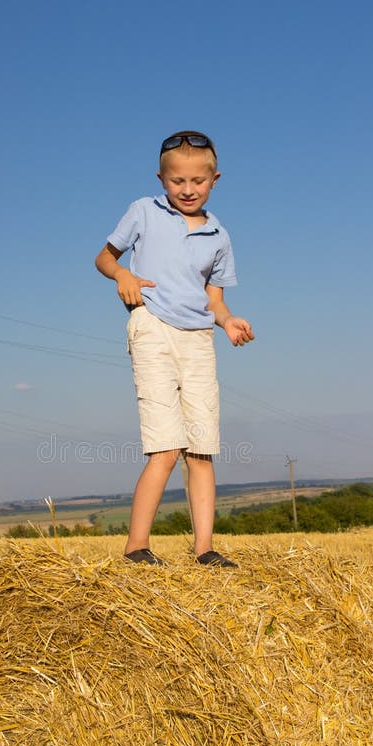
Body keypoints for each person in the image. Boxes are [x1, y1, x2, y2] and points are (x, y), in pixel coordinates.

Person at [95, 131, 254, 566]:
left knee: (201, 447)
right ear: (162, 179)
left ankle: (205, 549)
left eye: (198, 181)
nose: (187, 189)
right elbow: (105, 257)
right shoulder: (143, 211)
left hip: (199, 338)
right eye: (177, 181)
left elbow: (214, 299)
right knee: (165, 446)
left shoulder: (220, 236)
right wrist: (122, 276)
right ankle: (136, 547)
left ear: (215, 180)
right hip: (152, 327)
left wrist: (228, 321)